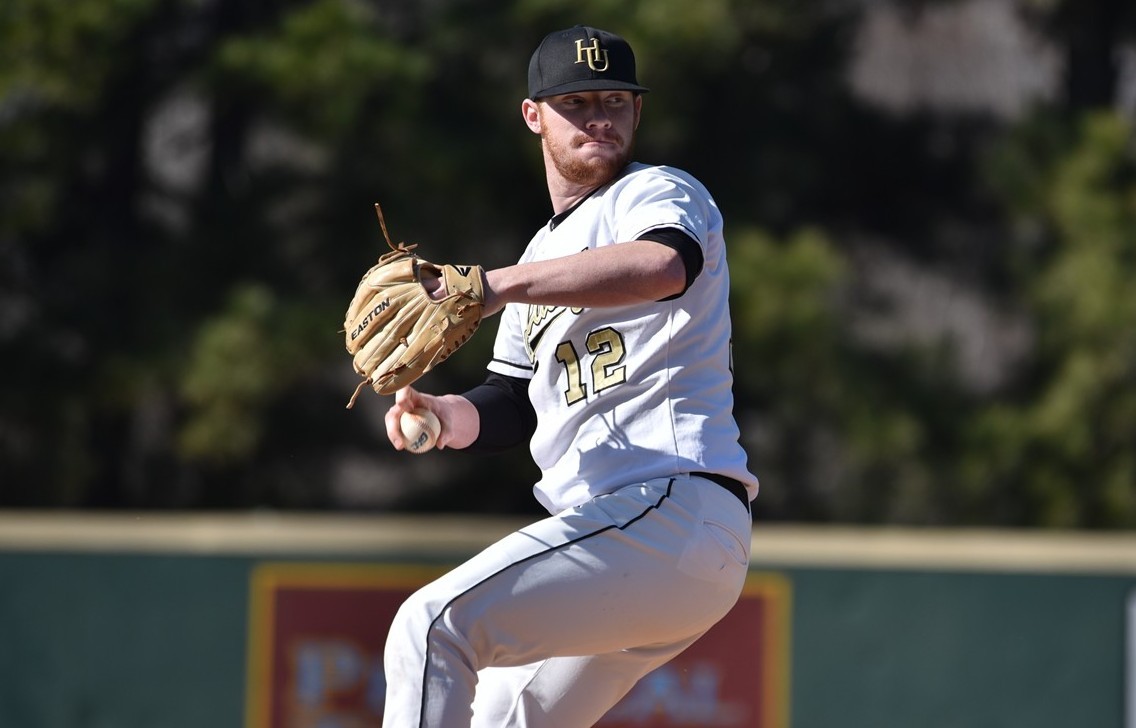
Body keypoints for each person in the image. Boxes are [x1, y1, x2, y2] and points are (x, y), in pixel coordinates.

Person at [380, 24, 758, 727]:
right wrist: (438, 419)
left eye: (614, 100)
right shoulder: (543, 253)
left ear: (637, 113)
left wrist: (494, 286)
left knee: (430, 627)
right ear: (534, 115)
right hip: (625, 538)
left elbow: (665, 266)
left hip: (667, 505)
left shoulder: (657, 192)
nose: (598, 118)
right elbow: (513, 403)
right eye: (576, 102)